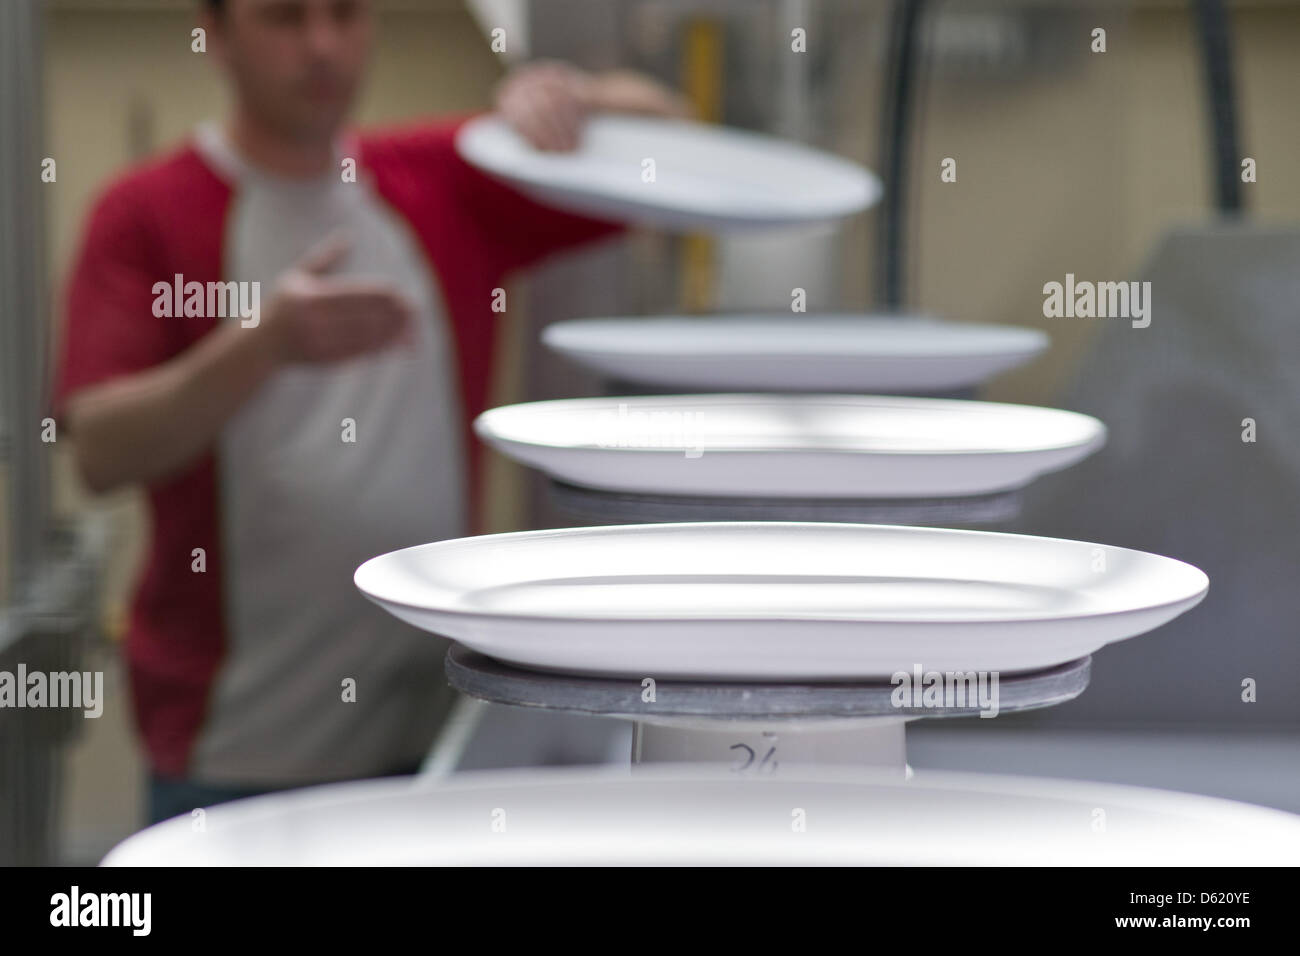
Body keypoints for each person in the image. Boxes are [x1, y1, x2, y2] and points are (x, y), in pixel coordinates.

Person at [52, 0, 686, 824]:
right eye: (285, 18)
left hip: (432, 734)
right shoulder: (147, 213)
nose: (321, 45)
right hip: (234, 756)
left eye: (345, 14)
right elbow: (100, 447)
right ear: (214, 32)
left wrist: (582, 97)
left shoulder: (443, 179)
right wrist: (260, 347)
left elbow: (676, 150)